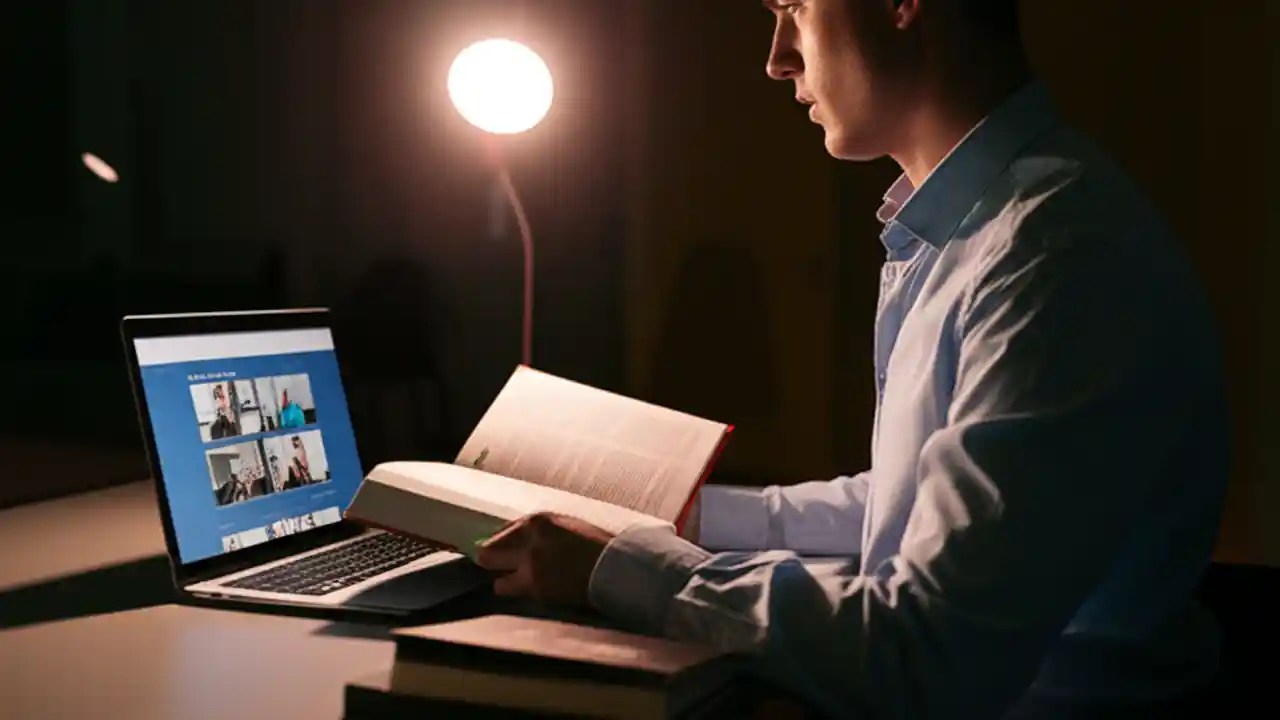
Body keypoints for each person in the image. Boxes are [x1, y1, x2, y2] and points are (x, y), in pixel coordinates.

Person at [473, 1, 1228, 718]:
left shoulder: (1054, 252)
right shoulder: (976, 227)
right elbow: (914, 505)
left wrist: (624, 569)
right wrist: (679, 514)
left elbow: (926, 657)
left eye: (794, 8)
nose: (776, 61)